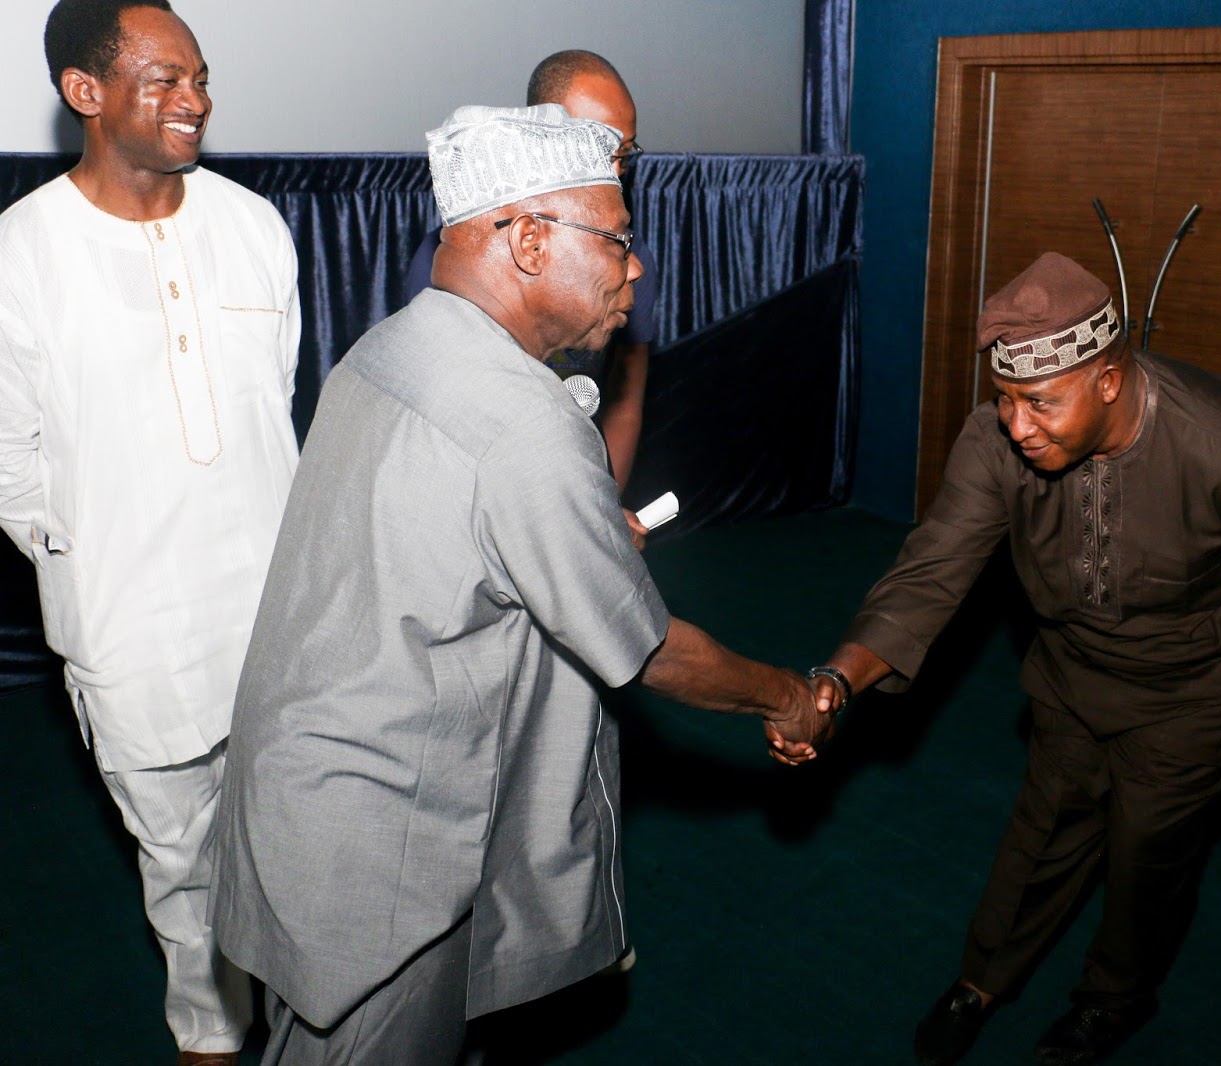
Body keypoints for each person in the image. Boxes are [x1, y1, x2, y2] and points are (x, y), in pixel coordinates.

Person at [209, 103, 826, 1063]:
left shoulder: (390, 346)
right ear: (529, 239)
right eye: (617, 238)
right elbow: (649, 651)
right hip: (381, 862)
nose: (635, 266)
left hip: (310, 793)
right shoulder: (520, 423)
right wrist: (787, 696)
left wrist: (566, 542)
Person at [806, 253, 1221, 1065]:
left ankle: (1115, 1001)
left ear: (1109, 379)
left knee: (1147, 858)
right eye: (1004, 400)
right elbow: (933, 569)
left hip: (1200, 693)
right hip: (1073, 673)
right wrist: (837, 680)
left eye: (1039, 402)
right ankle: (984, 980)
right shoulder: (999, 441)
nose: (1016, 426)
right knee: (1045, 829)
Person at [0, 2, 299, 1062]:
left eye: (201, 77)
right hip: (135, 636)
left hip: (278, 618)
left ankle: (298, 1019)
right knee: (181, 867)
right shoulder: (22, 253)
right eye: (164, 80)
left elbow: (275, 411)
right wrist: (101, 571)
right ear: (85, 93)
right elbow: (14, 469)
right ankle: (211, 1035)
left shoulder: (254, 225)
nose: (197, 101)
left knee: (293, 845)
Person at [403, 49, 656, 491]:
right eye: (592, 145)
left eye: (623, 154)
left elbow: (625, 402)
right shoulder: (447, 264)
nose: (611, 171)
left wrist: (603, 511)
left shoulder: (632, 264)